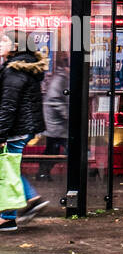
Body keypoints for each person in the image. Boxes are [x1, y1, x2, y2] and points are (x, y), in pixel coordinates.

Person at [0, 33, 48, 230]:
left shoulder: (14, 71)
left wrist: (0, 135)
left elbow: (8, 106)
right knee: (9, 168)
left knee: (7, 168)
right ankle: (29, 200)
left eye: (3, 40)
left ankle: (10, 215)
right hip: (22, 127)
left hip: (15, 129)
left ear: (16, 46)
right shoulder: (23, 67)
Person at [38, 53, 68, 181]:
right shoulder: (60, 78)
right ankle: (43, 172)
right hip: (56, 123)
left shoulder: (62, 77)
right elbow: (54, 99)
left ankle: (43, 173)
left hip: (55, 123)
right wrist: (67, 114)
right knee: (56, 148)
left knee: (53, 149)